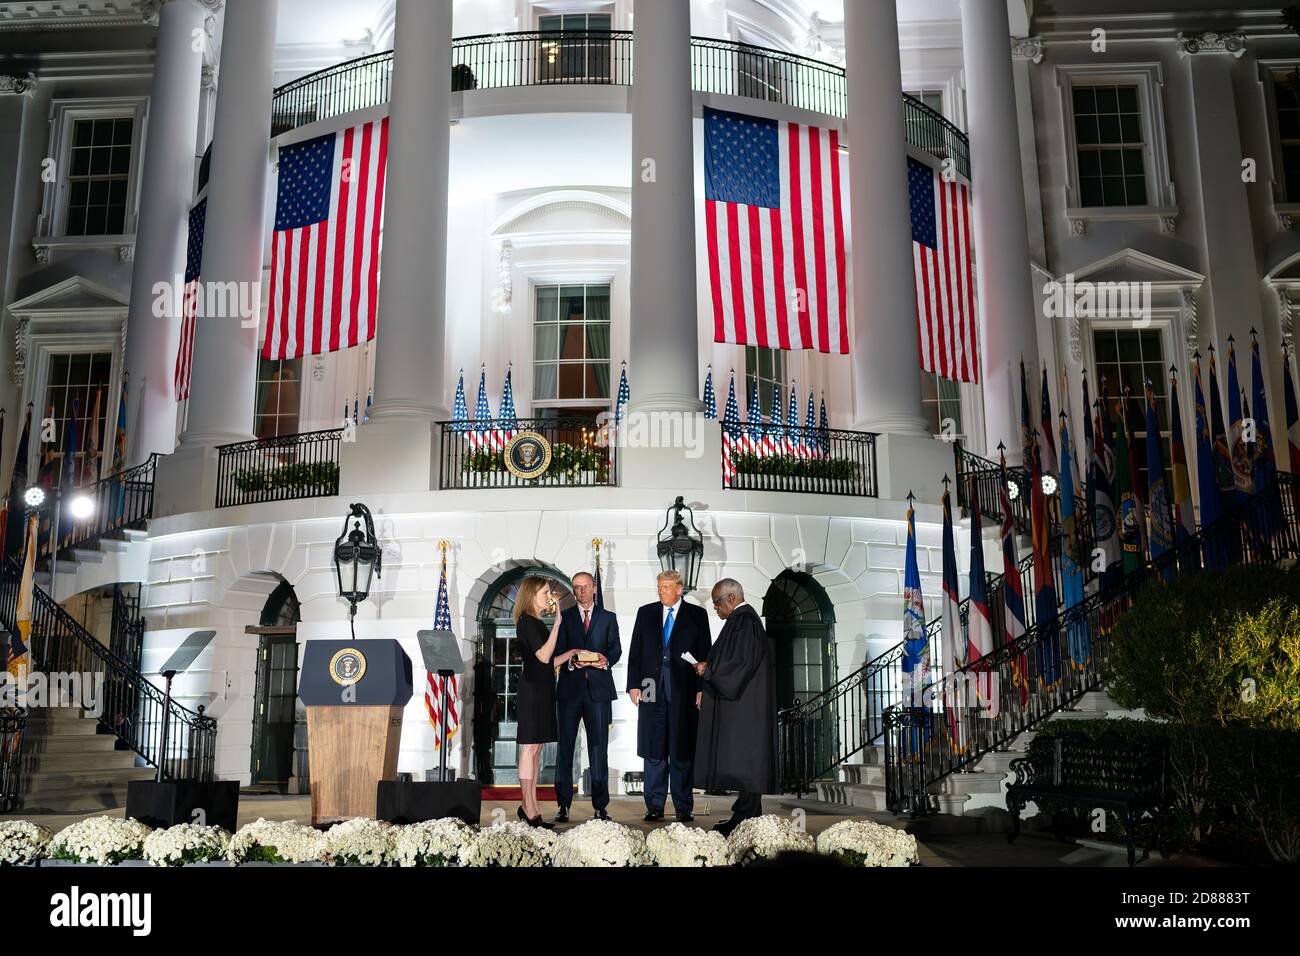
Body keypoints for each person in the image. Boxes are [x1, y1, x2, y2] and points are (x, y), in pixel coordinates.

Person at [626, 570, 711, 822]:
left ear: (679, 589)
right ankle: (654, 805)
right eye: (659, 586)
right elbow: (635, 651)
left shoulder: (697, 615)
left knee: (681, 750)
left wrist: (701, 688)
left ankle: (684, 806)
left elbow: (705, 654)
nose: (660, 591)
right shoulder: (646, 613)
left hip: (683, 690)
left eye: (665, 587)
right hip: (651, 688)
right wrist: (633, 685)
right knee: (654, 750)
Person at [694, 578, 777, 837]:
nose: (715, 608)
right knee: (746, 765)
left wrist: (708, 670)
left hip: (744, 707)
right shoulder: (742, 622)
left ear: (731, 598)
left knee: (746, 765)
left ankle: (746, 819)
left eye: (717, 602)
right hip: (743, 705)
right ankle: (744, 816)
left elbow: (738, 665)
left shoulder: (744, 622)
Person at [513, 577, 581, 828]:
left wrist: (570, 654)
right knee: (529, 748)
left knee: (537, 748)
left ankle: (531, 806)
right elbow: (542, 656)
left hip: (542, 689)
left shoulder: (536, 622)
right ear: (531, 595)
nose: (548, 596)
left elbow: (548, 662)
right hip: (532, 692)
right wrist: (558, 626)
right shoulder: (527, 621)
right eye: (544, 592)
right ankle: (528, 807)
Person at [553, 572, 621, 823]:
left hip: (599, 691)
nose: (581, 591)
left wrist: (606, 660)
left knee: (598, 748)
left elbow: (615, 648)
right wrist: (571, 661)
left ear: (594, 588)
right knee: (565, 748)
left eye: (585, 587)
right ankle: (563, 804)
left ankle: (600, 806)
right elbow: (558, 650)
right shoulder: (565, 618)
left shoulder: (608, 618)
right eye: (576, 588)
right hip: (570, 691)